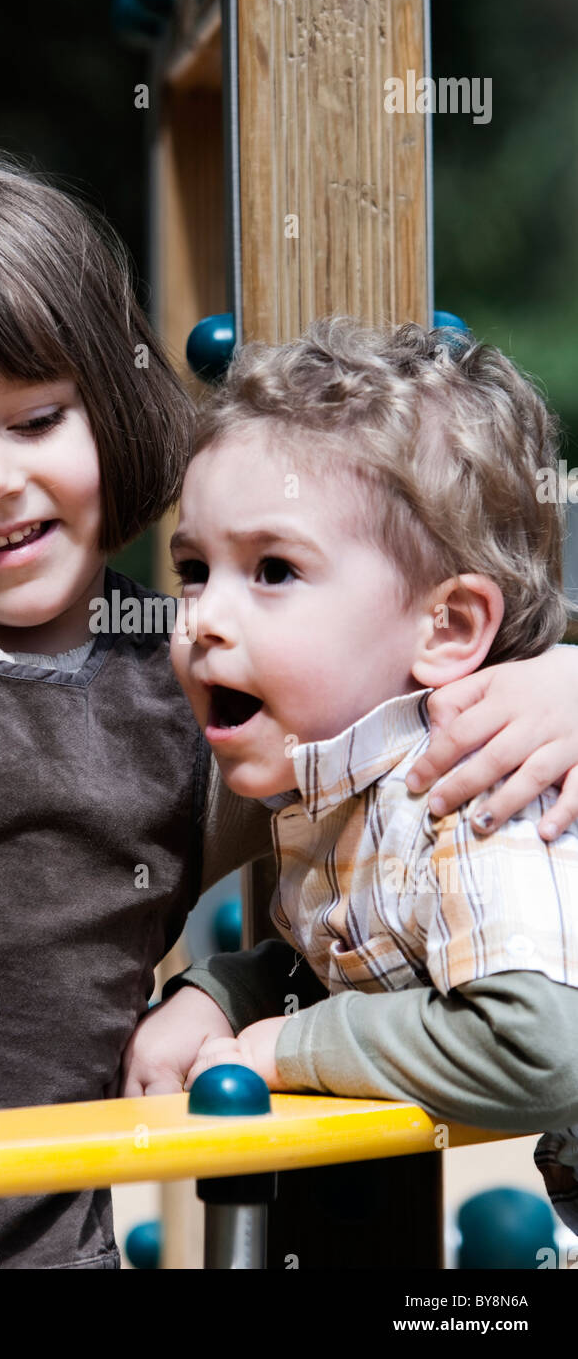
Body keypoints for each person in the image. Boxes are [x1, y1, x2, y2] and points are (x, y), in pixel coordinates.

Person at [0, 156, 577, 1269]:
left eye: (36, 419)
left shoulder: (190, 697)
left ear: (107, 411)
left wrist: (556, 675)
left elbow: (381, 823)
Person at [122, 318, 578, 1233]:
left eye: (274, 569)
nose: (203, 619)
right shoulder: (347, 794)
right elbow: (379, 964)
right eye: (194, 570)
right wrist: (222, 994)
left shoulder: (472, 788)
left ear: (448, 628)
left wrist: (286, 1047)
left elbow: (538, 1048)